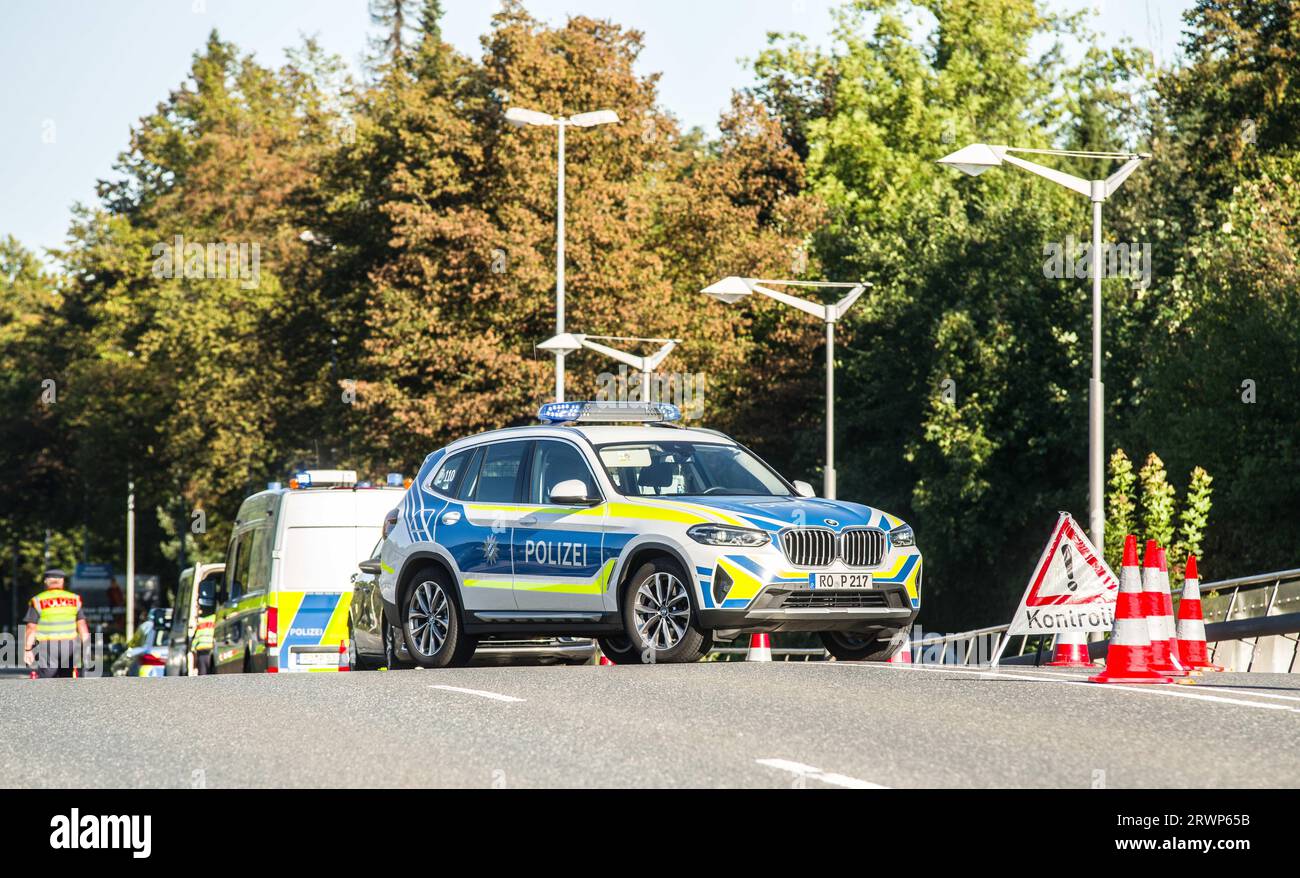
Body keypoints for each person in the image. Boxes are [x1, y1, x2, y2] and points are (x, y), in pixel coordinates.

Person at [23, 569, 91, 679]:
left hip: (47, 646)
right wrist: (86, 648)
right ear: (62, 582)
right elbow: (82, 626)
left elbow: (31, 627)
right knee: (66, 679)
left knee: (47, 680)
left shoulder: (38, 600)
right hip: (69, 646)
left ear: (46, 582)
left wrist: (27, 649)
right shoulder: (74, 599)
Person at [192, 606, 215, 675]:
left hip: (201, 650)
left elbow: (195, 640)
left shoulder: (203, 622)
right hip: (212, 649)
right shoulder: (218, 619)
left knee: (203, 674)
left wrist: (193, 648)